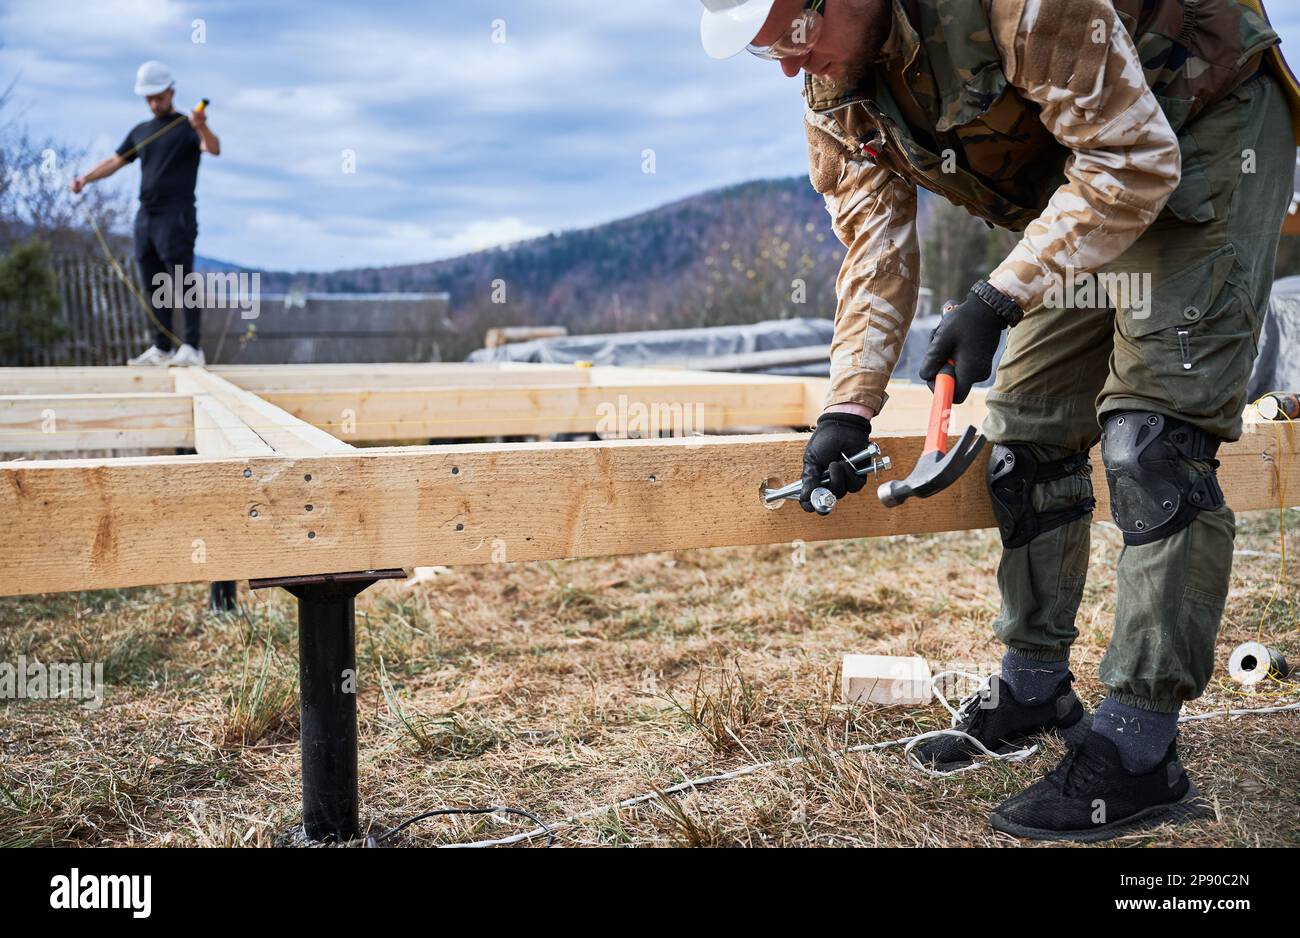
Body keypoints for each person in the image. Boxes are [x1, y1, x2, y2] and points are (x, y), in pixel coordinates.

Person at [699, 0, 1298, 841]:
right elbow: (873, 242)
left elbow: (1132, 158)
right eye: (771, 57)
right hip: (1092, 172)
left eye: (793, 38)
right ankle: (1034, 686)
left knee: (1153, 442)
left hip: (1204, 115)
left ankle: (1138, 751)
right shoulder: (836, 85)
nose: (793, 68)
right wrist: (848, 405)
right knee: (1026, 426)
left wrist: (995, 296)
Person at [71, 60, 220, 366]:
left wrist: (201, 125)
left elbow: (213, 148)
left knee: (181, 280)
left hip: (176, 215)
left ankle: (192, 347)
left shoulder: (187, 127)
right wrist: (85, 178)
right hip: (146, 217)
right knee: (152, 282)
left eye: (160, 97)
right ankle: (161, 348)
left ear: (171, 92)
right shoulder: (140, 131)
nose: (154, 103)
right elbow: (115, 161)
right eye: (149, 98)